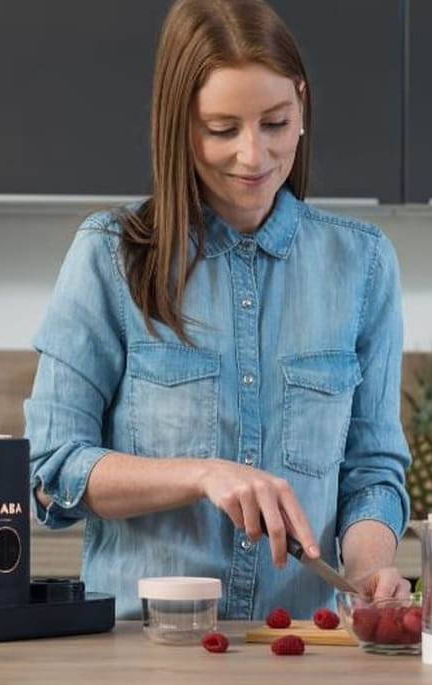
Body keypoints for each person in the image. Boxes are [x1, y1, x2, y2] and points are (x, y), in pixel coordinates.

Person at [23, 0, 411, 620]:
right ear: (180, 124)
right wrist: (202, 474)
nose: (253, 157)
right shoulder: (109, 255)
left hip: (302, 648)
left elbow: (372, 471)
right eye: (223, 129)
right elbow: (51, 471)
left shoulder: (362, 264)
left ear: (302, 106)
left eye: (275, 123)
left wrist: (369, 569)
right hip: (142, 653)